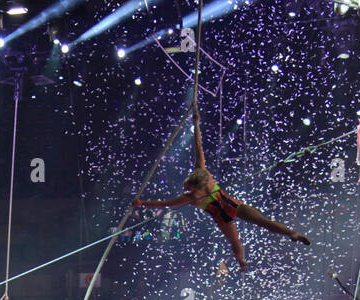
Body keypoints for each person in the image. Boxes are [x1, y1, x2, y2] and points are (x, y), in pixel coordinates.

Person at [133, 109, 310, 271]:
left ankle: (242, 261)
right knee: (263, 222)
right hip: (234, 206)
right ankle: (291, 233)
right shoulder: (204, 173)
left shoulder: (191, 197)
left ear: (193, 186)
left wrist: (142, 203)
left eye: (187, 185)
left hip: (223, 218)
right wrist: (196, 124)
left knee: (236, 241)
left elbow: (165, 204)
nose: (185, 186)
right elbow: (199, 146)